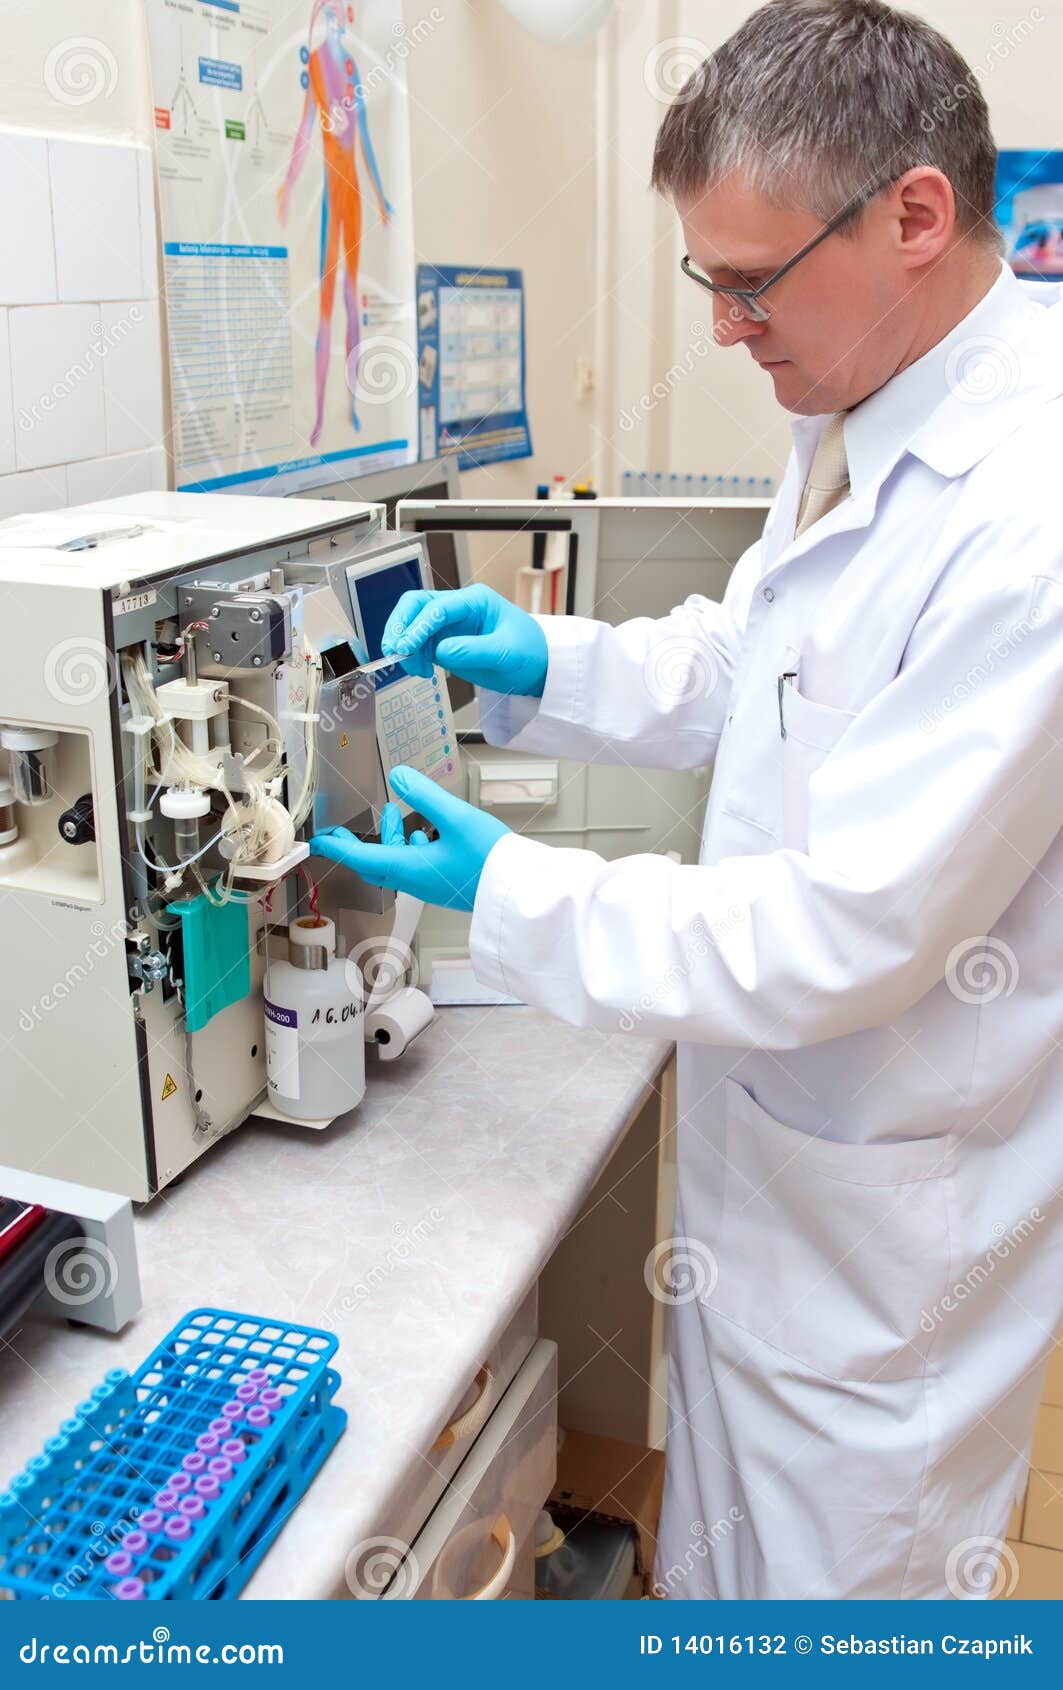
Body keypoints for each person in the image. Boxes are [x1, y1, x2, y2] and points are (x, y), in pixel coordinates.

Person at [311, 0, 1063, 1599]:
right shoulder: (859, 391)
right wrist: (541, 664)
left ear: (913, 216)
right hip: (773, 1190)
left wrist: (507, 889)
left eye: (747, 283)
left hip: (883, 1257)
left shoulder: (1029, 513)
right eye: (702, 283)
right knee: (722, 1580)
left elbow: (847, 925)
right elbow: (755, 659)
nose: (726, 328)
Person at [278, 0, 393, 445]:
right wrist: (288, 186)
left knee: (351, 298)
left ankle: (354, 406)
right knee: (327, 305)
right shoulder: (319, 75)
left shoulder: (352, 71)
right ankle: (321, 418)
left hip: (356, 198)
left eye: (339, 17)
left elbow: (364, 138)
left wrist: (382, 200)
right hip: (332, 194)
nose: (336, 23)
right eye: (328, 16)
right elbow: (305, 134)